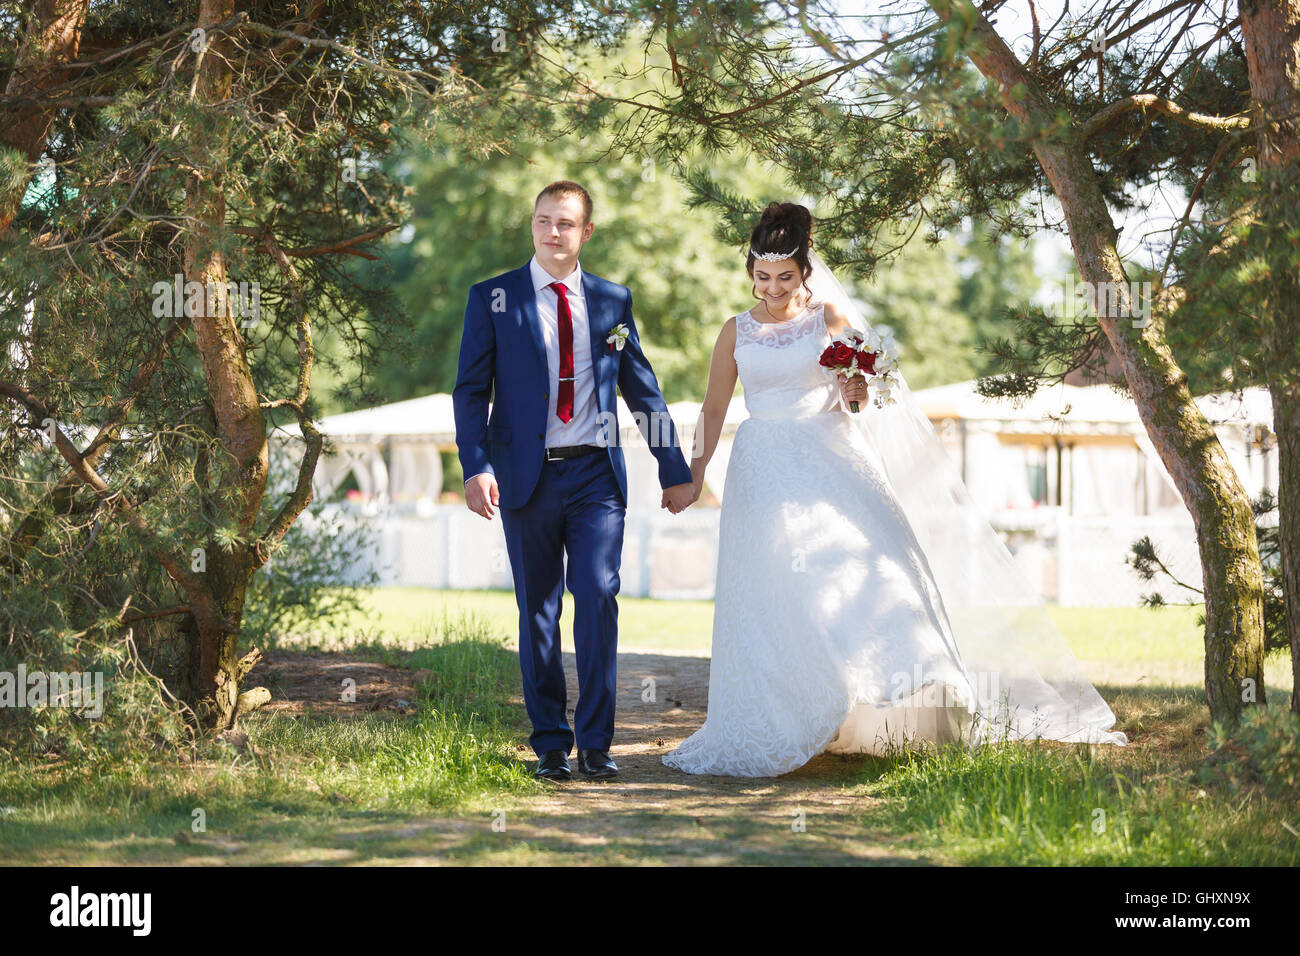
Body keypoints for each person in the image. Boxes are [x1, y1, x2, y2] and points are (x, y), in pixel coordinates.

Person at [662, 201, 1127, 777]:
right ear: (750, 270)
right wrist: (692, 475)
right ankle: (792, 712)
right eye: (762, 277)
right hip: (761, 467)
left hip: (829, 458)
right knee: (773, 589)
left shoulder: (828, 318)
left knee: (864, 574)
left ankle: (883, 702)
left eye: (785, 277)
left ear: (805, 270)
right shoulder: (736, 329)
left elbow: (858, 404)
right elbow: (712, 409)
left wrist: (856, 386)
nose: (773, 288)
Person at [453, 180, 696, 783]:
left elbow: (642, 388)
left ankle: (595, 743)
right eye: (542, 221)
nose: (551, 232)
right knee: (538, 609)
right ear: (532, 225)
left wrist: (674, 470)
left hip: (595, 476)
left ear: (586, 231)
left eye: (564, 223)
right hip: (524, 479)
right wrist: (475, 465)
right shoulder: (494, 298)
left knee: (596, 595)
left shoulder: (613, 302)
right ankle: (551, 745)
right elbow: (469, 391)